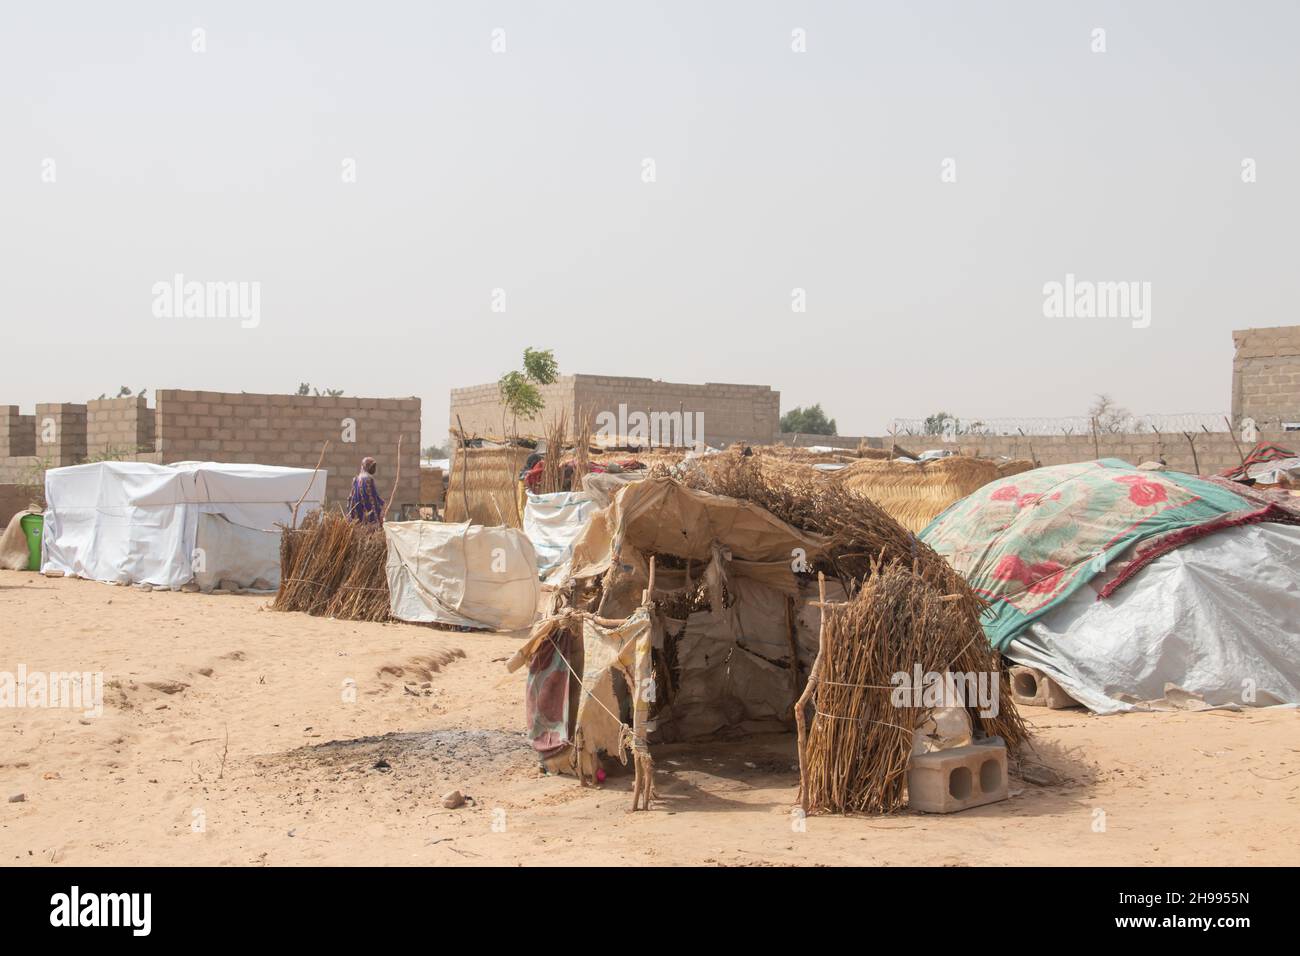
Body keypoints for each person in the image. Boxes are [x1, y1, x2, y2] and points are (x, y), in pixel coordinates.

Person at [347, 456, 385, 524]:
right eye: (372, 466)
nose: (374, 469)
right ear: (367, 467)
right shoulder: (368, 480)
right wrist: (381, 505)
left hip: (356, 517)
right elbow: (372, 499)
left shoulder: (356, 479)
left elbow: (350, 498)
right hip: (367, 517)